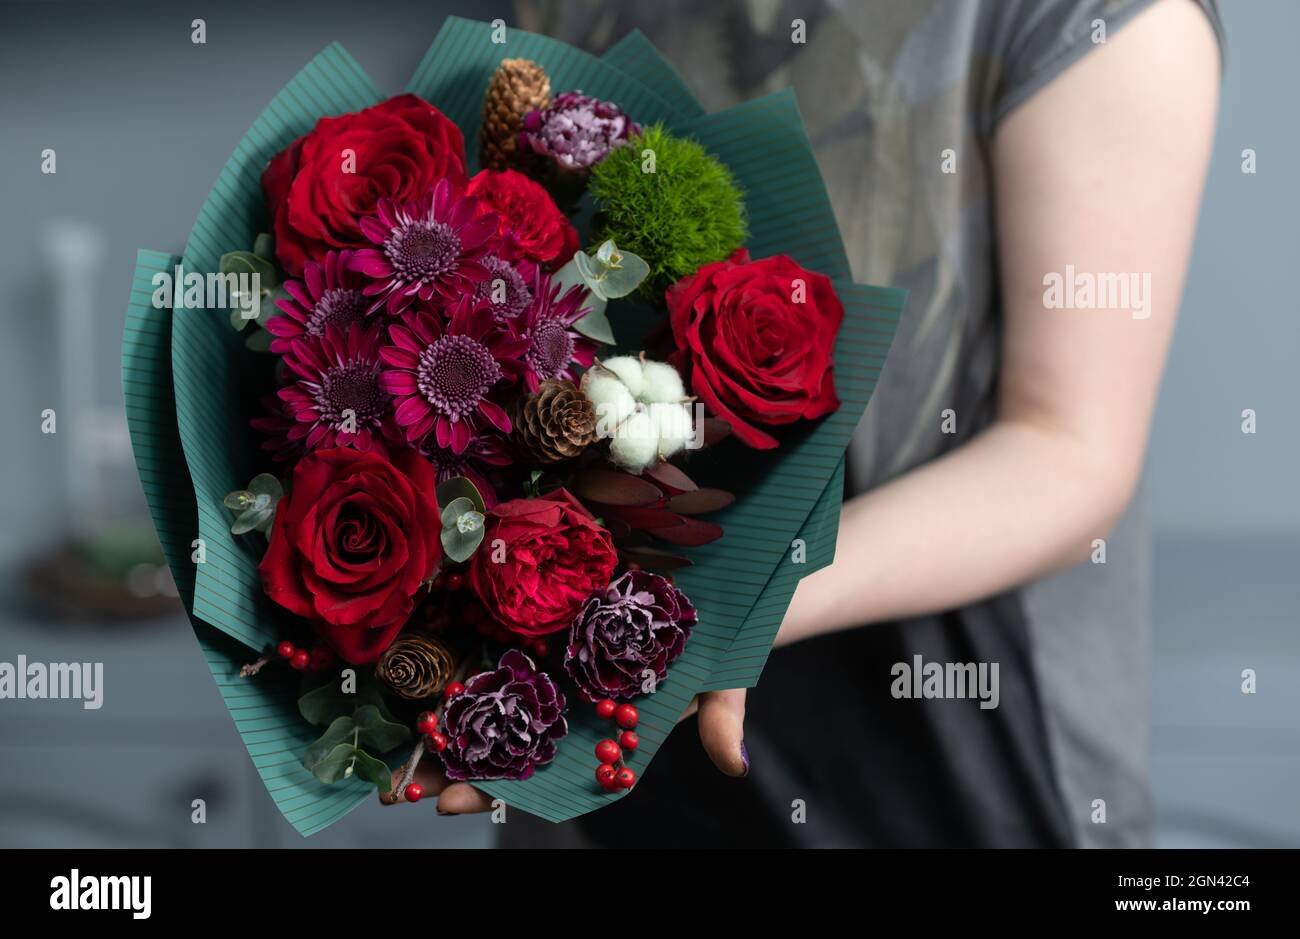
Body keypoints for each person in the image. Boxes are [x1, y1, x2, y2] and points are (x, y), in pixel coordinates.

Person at [394, 0, 1224, 847]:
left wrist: (725, 611)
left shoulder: (1089, 19)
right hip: (612, 752)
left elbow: (1067, 450)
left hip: (961, 769)